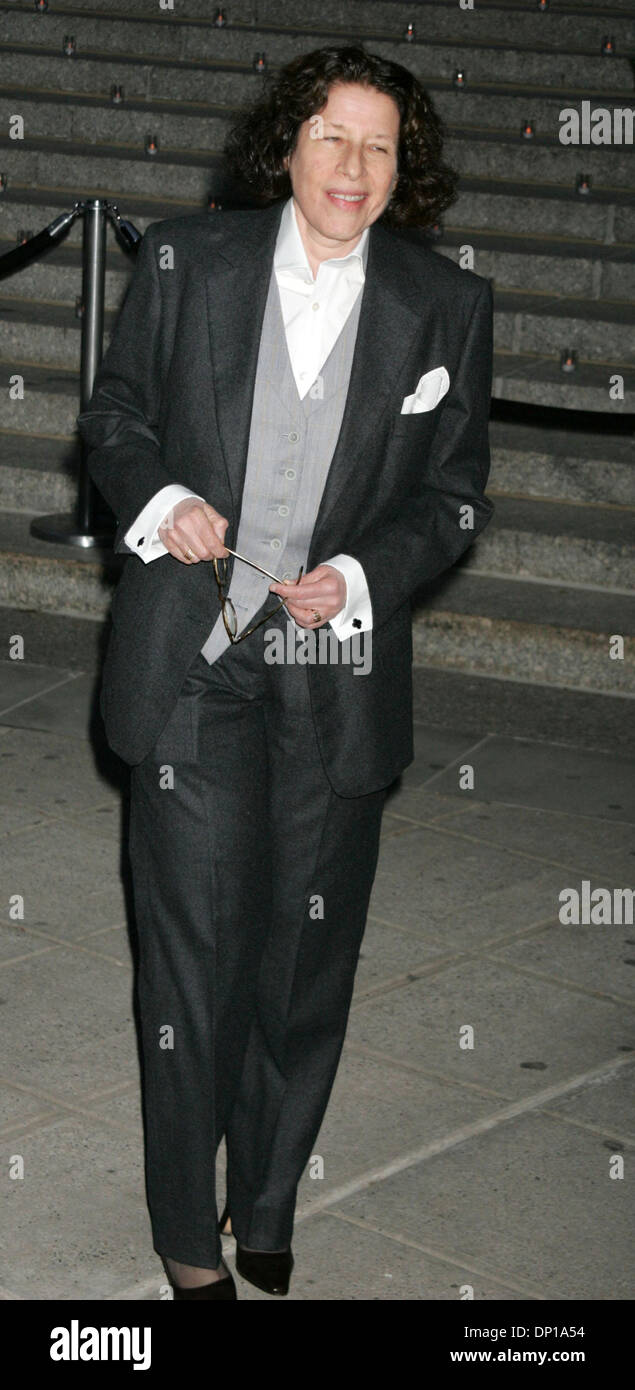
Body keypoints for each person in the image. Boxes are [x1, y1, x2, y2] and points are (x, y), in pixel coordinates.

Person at [78, 44, 494, 1301]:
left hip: (335, 666)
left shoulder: (445, 305)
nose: (351, 167)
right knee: (195, 964)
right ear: (287, 147)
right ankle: (184, 1242)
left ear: (398, 166)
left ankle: (263, 1202)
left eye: (377, 146)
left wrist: (366, 573)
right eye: (330, 137)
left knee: (304, 966)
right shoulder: (185, 260)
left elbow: (455, 500)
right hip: (194, 665)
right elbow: (113, 418)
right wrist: (158, 497)